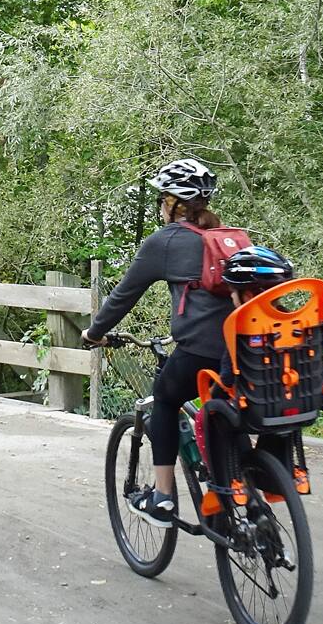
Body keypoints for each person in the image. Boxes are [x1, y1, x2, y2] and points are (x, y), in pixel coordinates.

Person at [83, 158, 244, 526]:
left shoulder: (165, 242)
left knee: (167, 398)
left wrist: (93, 334)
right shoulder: (224, 239)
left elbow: (123, 296)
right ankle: (239, 486)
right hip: (246, 348)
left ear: (172, 203)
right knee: (223, 409)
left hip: (203, 348)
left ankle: (164, 497)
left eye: (162, 198)